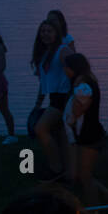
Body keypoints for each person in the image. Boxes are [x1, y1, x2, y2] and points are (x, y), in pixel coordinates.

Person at [61, 53, 108, 212]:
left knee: (85, 176)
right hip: (85, 135)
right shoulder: (85, 83)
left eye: (65, 67)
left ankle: (95, 213)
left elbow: (77, 112)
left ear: (73, 68)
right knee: (82, 174)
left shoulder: (83, 87)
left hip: (89, 135)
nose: (64, 71)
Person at [31, 17, 72, 181]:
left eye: (49, 31)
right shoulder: (46, 53)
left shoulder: (63, 51)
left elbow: (76, 75)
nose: (45, 34)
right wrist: (38, 103)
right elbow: (44, 81)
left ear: (57, 33)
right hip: (53, 98)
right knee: (61, 135)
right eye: (42, 31)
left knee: (40, 128)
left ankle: (55, 168)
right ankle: (66, 170)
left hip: (64, 98)